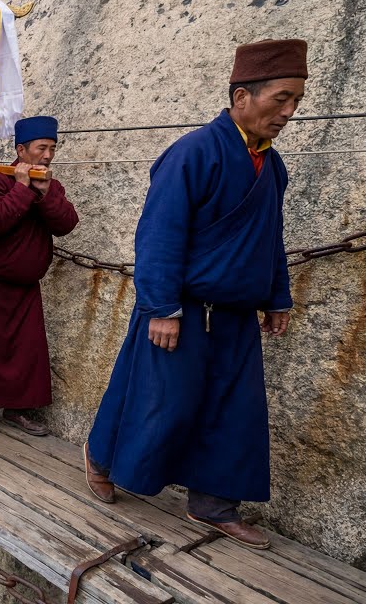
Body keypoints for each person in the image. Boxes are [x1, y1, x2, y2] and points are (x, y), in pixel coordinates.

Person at [84, 39, 306, 550]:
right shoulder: (192, 154)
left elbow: (270, 235)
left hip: (235, 316)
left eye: (296, 101)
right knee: (161, 401)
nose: (289, 112)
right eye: (281, 98)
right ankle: (102, 458)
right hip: (180, 310)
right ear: (242, 95)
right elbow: (159, 234)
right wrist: (161, 307)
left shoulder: (272, 167)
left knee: (234, 411)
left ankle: (213, 505)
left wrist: (277, 295)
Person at [0, 116, 78, 435]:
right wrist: (22, 189)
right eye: (41, 148)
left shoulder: (50, 184)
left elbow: (66, 224)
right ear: (21, 150)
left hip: (25, 288)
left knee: (24, 353)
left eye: (52, 148)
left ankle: (16, 409)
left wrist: (45, 193)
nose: (48, 155)